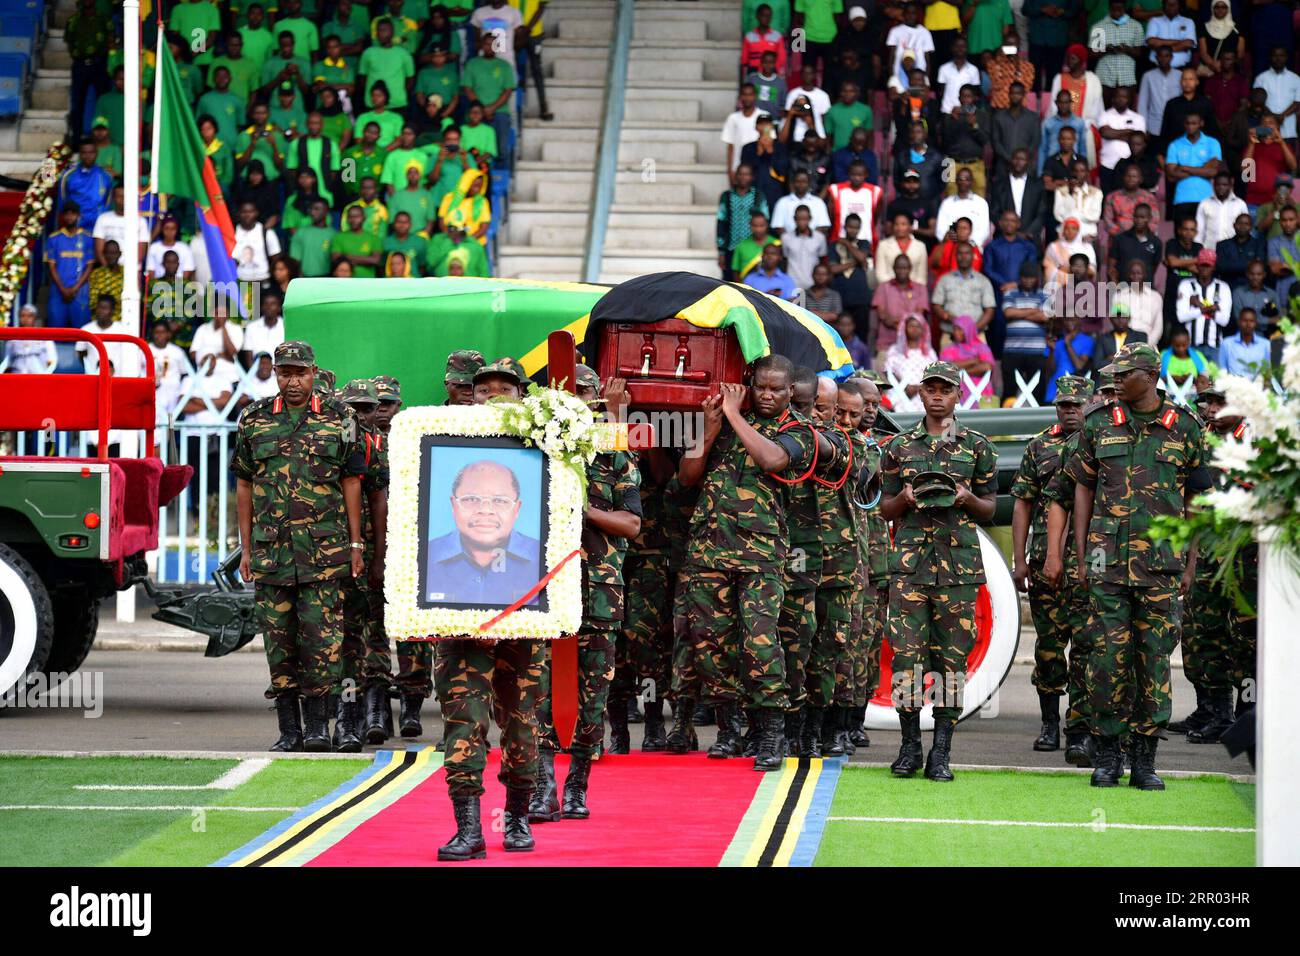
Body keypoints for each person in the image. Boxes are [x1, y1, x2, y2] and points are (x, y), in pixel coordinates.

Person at [1063, 342, 1204, 789]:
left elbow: (1196, 500)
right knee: (1106, 659)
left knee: (1155, 661)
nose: (1117, 382)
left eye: (1125, 375)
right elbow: (1082, 489)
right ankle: (1108, 755)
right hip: (1106, 563)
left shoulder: (1184, 427)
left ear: (1150, 375)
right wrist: (1083, 554)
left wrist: (1190, 563)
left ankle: (1145, 759)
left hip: (1161, 566)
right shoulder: (1098, 423)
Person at [433, 359, 546, 860]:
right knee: (464, 724)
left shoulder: (547, 444)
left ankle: (518, 820)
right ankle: (469, 829)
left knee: (521, 726)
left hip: (523, 621)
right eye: (485, 389)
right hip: (458, 622)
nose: (495, 396)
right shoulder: (441, 439)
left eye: (506, 388)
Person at [233, 341, 365, 754]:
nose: (293, 381)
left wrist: (357, 543)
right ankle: (289, 730)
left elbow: (351, 480)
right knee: (280, 646)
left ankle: (318, 729)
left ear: (314, 372)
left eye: (300, 373)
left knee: (323, 644)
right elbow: (244, 483)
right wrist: (246, 549)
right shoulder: (254, 419)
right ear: (275, 373)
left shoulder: (340, 417)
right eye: (285, 372)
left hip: (324, 555)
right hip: (272, 553)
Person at [880, 361, 998, 781]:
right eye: (930, 388)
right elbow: (884, 508)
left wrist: (966, 498)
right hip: (910, 570)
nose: (936, 395)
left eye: (945, 389)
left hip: (958, 572)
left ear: (957, 395)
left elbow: (991, 508)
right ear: (921, 393)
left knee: (951, 662)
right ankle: (910, 747)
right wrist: (905, 499)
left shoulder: (977, 446)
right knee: (907, 660)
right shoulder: (898, 447)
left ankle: (941, 752)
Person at [533, 368, 640, 818]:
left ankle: (577, 785)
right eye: (568, 393)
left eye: (584, 393)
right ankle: (542, 787)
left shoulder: (614, 454)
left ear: (597, 400)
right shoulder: (533, 449)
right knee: (537, 693)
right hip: (540, 594)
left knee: (592, 696)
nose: (576, 399)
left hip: (598, 595)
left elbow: (631, 524)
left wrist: (583, 507)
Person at [1011, 373, 1092, 753]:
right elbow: (1023, 502)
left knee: (1087, 647)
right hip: (1046, 561)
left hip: (1091, 561)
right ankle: (1049, 724)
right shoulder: (1039, 445)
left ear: (1090, 404)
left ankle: (1079, 730)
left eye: (1077, 404)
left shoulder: (1099, 444)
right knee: (1048, 647)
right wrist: (1020, 560)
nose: (1071, 410)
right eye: (1064, 404)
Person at [1001, 261, 1054, 403]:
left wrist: (1019, 312)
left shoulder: (1044, 295)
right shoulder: (1010, 293)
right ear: (1020, 277)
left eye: (1031, 277)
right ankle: (1005, 418)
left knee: (1038, 390)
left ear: (1036, 278)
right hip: (1012, 350)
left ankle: (1038, 421)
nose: (1028, 280)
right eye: (1025, 277)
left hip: (1036, 351)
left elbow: (1044, 316)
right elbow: (1008, 313)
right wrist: (1033, 310)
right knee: (1009, 389)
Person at [1175, 248, 1231, 366]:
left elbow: (1224, 321)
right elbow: (1181, 317)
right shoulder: (1186, 285)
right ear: (1197, 266)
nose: (1205, 269)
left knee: (1215, 382)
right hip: (1191, 346)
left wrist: (1197, 305)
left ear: (1214, 267)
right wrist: (1209, 309)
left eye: (1208, 265)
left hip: (1215, 347)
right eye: (1202, 265)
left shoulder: (1223, 287)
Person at [872, 253, 930, 366]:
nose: (902, 271)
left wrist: (901, 324)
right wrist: (906, 326)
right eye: (899, 267)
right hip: (887, 344)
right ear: (893, 268)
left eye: (905, 267)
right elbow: (883, 317)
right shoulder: (883, 287)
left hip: (913, 347)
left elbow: (918, 318)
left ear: (910, 269)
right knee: (883, 380)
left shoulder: (920, 289)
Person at [44, 201, 95, 330]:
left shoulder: (87, 238)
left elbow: (89, 267)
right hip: (58, 290)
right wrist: (62, 289)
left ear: (78, 216)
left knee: (82, 332)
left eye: (73, 214)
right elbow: (51, 267)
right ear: (62, 216)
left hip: (80, 290)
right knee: (56, 330)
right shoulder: (54, 238)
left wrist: (75, 288)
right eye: (66, 214)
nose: (69, 217)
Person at [931, 241, 996, 340]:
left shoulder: (983, 281)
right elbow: (936, 305)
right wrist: (948, 317)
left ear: (972, 256)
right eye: (960, 253)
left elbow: (990, 310)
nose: (963, 256)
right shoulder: (945, 280)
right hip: (950, 336)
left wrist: (972, 330)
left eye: (967, 253)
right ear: (956, 256)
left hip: (976, 336)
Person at [989, 147, 1049, 244]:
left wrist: (1028, 233)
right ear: (1011, 160)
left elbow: (1041, 213)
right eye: (1015, 159)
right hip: (1003, 238)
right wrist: (1009, 231)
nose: (1018, 162)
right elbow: (994, 212)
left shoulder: (1038, 185)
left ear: (1028, 162)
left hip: (1030, 239)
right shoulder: (998, 185)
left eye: (1022, 159)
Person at [883, 314, 938, 410]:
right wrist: (904, 386)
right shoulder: (895, 350)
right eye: (911, 326)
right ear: (904, 328)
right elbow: (888, 371)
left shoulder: (929, 352)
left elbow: (935, 374)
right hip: (900, 393)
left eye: (918, 326)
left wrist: (919, 388)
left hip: (923, 394)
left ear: (923, 330)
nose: (915, 329)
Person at [940, 314, 996, 405]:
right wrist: (973, 361)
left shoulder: (981, 347)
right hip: (956, 392)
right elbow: (946, 367)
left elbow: (987, 367)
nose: (956, 332)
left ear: (969, 329)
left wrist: (959, 372)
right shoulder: (948, 349)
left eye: (960, 329)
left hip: (980, 390)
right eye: (954, 329)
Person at [935, 167, 991, 246]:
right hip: (950, 246)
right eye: (961, 179)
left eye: (967, 179)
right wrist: (951, 241)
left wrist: (970, 244)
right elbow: (940, 231)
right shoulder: (947, 203)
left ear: (972, 182)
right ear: (956, 181)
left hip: (973, 248)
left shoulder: (981, 203)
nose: (963, 182)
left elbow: (984, 231)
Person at [1196, 170, 1249, 249]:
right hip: (1210, 250)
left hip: (1233, 250)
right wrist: (1198, 248)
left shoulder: (1240, 204)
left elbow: (1246, 229)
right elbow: (1199, 230)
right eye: (1218, 185)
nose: (1221, 187)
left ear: (1231, 185)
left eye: (1224, 185)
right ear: (1213, 185)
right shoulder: (1204, 204)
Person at [1094, 300, 1148, 370]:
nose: (1120, 320)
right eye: (1116, 317)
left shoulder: (1140, 336)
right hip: (1110, 377)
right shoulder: (1103, 338)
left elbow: (1142, 362)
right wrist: (1127, 358)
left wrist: (1115, 358)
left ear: (1129, 318)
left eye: (1123, 317)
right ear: (1110, 319)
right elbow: (1097, 364)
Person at [1218, 308, 1270, 378]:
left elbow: (1268, 372)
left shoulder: (1265, 345)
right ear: (1239, 322)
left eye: (1251, 321)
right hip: (1233, 387)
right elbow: (1222, 370)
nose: (1248, 324)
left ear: (1256, 323)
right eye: (1245, 321)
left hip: (1257, 387)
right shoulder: (1227, 344)